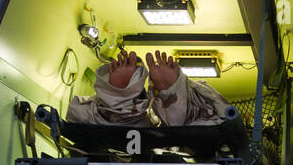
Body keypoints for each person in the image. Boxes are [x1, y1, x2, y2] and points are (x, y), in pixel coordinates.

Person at [66, 50, 232, 126]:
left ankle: (120, 99)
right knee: (198, 110)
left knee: (105, 113)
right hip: (176, 137)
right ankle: (172, 99)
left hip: (125, 135)